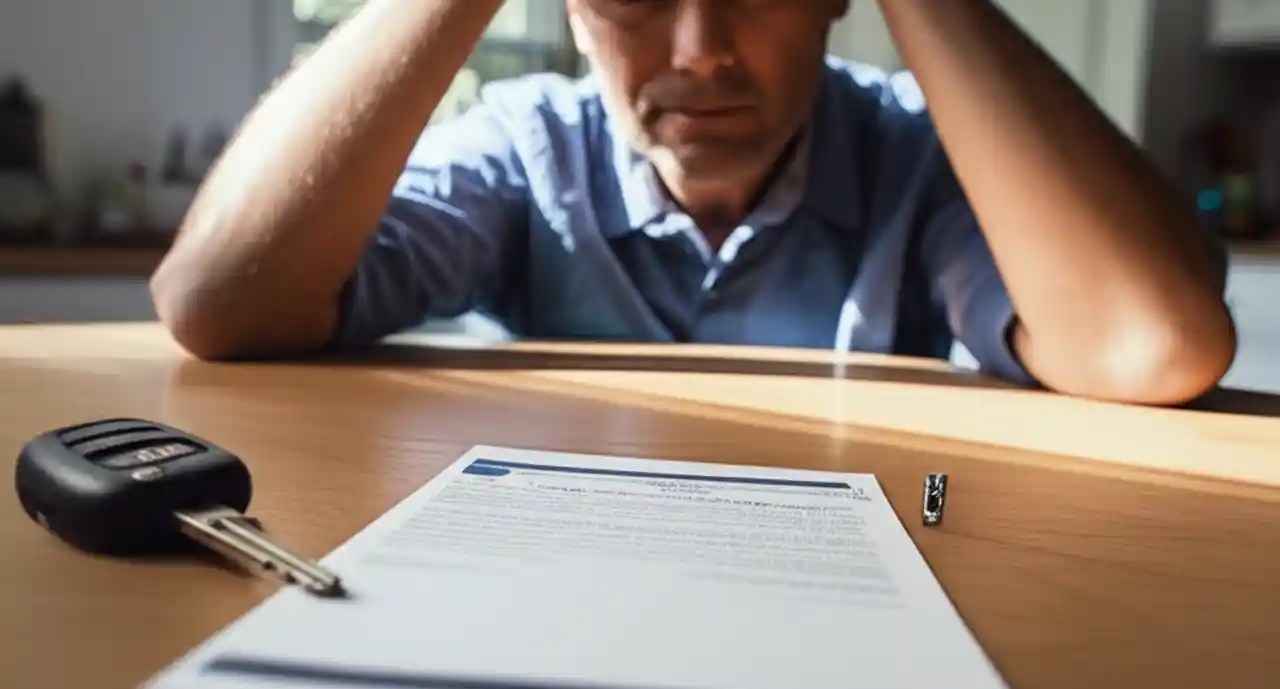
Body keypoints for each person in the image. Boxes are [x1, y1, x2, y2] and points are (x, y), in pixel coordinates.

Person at [151, 0, 1236, 406]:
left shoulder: (915, 151)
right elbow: (219, 302)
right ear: (571, 12)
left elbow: (1153, 345)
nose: (701, 52)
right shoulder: (528, 151)